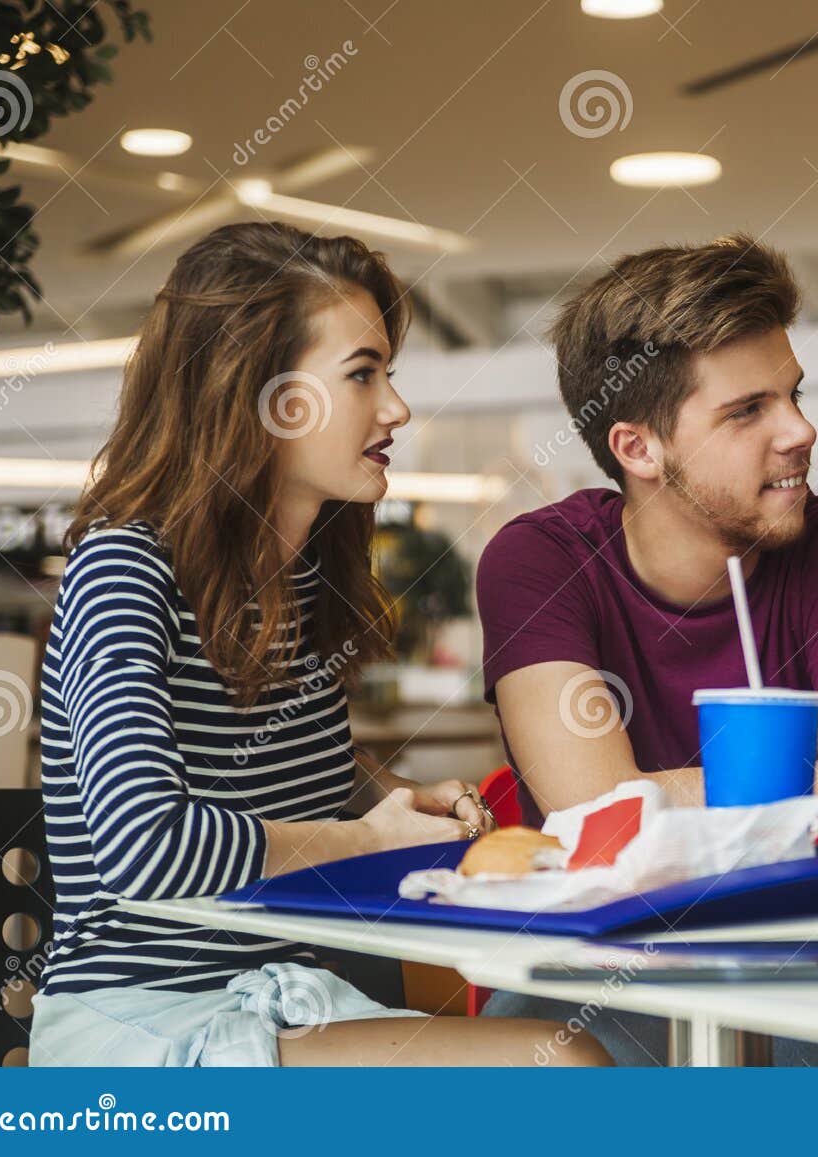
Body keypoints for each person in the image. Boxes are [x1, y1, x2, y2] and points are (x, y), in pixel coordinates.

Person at [30, 222, 607, 1068]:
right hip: (136, 1028)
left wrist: (391, 798)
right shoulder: (126, 567)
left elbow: (280, 780)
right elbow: (146, 845)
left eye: (389, 373)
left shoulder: (302, 581)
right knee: (561, 1064)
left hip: (278, 1001)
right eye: (363, 374)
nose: (397, 408)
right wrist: (368, 839)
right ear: (256, 392)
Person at [475, 233, 818, 1064]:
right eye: (748, 411)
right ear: (637, 447)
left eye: (793, 394)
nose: (801, 429)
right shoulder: (540, 561)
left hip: (814, 964)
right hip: (595, 982)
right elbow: (597, 817)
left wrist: (660, 801)